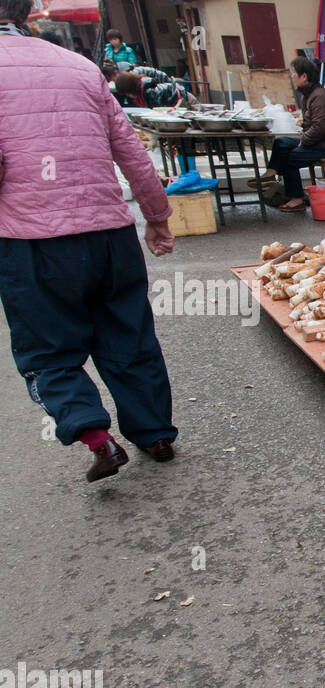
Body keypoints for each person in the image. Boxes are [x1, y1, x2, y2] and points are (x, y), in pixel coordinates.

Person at [0, 0, 179, 482]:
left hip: (33, 242)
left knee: (47, 352)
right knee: (130, 335)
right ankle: (156, 434)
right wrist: (157, 217)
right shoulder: (78, 66)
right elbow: (131, 151)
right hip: (111, 236)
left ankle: (98, 439)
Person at [254, 56, 325, 213]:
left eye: (293, 73)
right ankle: (271, 173)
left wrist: (303, 141)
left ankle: (297, 199)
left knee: (291, 157)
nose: (292, 77)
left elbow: (320, 128)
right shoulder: (308, 95)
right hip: (318, 141)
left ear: (304, 76)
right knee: (281, 143)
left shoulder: (320, 97)